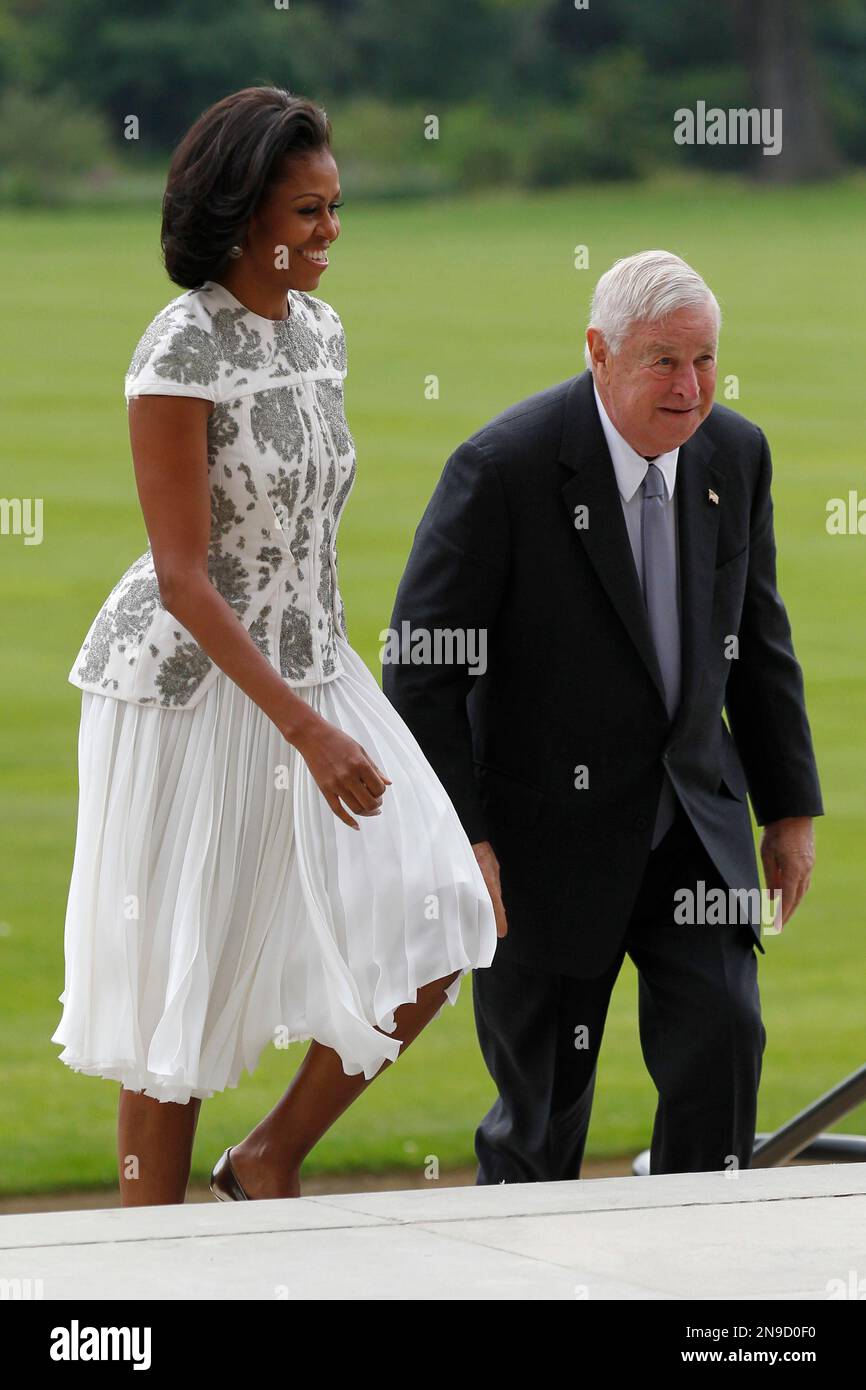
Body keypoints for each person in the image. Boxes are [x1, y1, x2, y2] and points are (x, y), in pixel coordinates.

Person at [51, 85, 498, 1206]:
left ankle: (266, 1159)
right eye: (308, 213)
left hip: (311, 664)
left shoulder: (323, 332)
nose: (329, 234)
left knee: (445, 905)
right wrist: (302, 730)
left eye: (335, 208)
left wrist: (319, 703)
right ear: (243, 214)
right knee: (180, 994)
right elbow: (182, 574)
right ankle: (144, 1270)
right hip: (187, 691)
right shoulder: (178, 347)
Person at [383, 249, 823, 1181]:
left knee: (725, 1044)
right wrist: (466, 838)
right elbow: (420, 671)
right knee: (539, 1125)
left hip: (691, 832)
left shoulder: (735, 454)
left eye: (704, 360)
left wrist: (789, 809)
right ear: (598, 351)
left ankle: (702, 1283)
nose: (691, 386)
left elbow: (759, 637)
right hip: (542, 855)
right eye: (664, 360)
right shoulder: (503, 468)